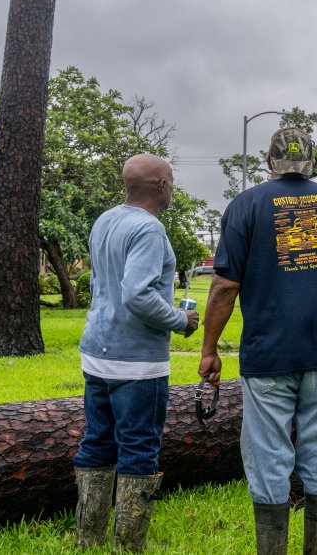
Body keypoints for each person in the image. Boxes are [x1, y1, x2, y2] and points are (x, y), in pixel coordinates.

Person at [198, 128, 317, 555]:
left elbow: (224, 287)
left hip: (267, 353)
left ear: (268, 161)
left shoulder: (246, 205)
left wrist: (209, 348)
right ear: (312, 162)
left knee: (268, 454)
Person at [74, 154, 200, 552]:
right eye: (172, 181)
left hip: (96, 351)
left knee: (96, 442)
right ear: (162, 185)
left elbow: (103, 286)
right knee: (139, 449)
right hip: (136, 363)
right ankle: (128, 547)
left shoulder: (106, 220)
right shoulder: (149, 230)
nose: (173, 187)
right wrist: (181, 321)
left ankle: (88, 541)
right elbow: (138, 295)